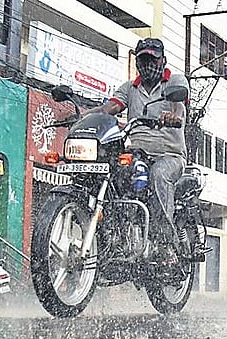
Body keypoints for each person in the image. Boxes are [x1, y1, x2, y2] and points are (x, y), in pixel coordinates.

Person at [85, 38, 188, 264]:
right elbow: (109, 108)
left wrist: (174, 117)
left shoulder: (174, 81)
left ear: (162, 60)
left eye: (152, 59)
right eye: (142, 59)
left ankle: (163, 244)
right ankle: (117, 236)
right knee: (112, 174)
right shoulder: (130, 88)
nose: (146, 64)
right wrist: (82, 115)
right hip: (137, 154)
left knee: (158, 174)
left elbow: (178, 106)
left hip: (169, 156)